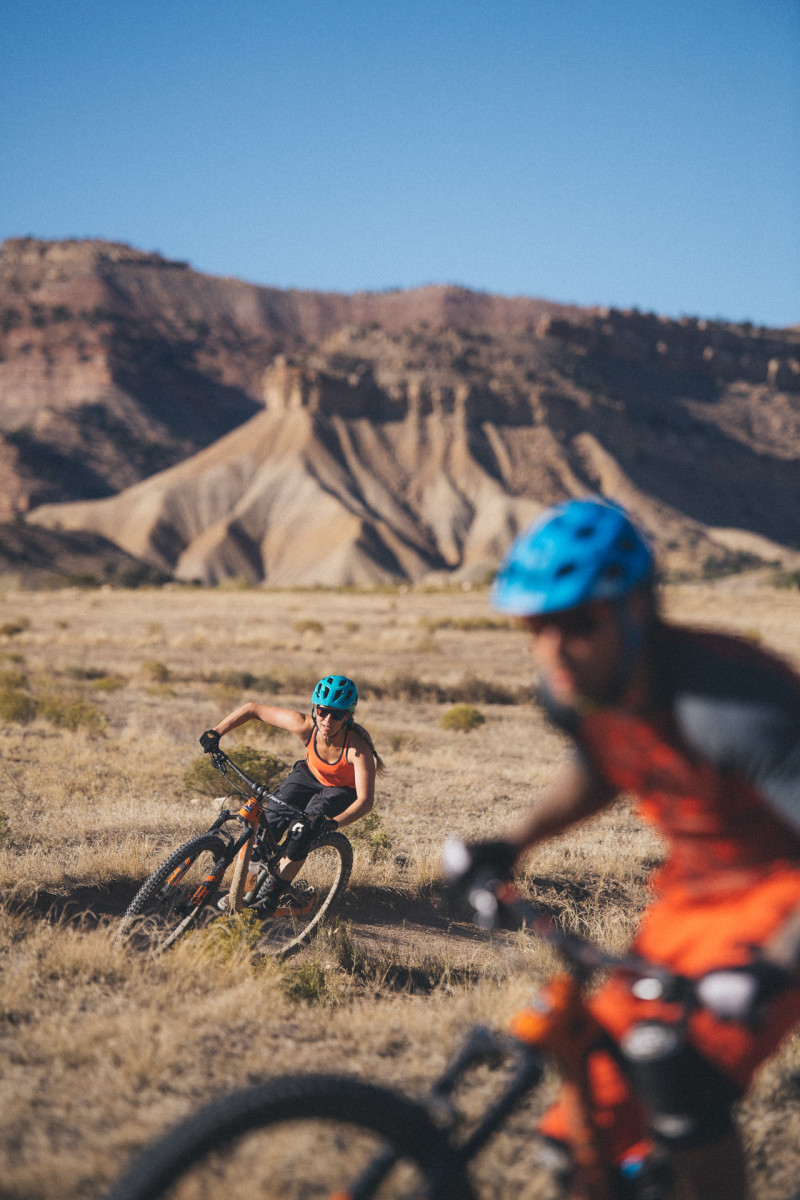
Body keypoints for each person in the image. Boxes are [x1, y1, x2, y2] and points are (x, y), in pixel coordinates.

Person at [447, 497, 800, 1200]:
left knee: (679, 1075)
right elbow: (604, 762)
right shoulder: (575, 691)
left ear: (636, 610)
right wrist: (512, 844)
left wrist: (772, 969)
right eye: (535, 626)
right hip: (687, 896)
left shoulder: (734, 708)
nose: (553, 648)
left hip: (777, 897)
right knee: (581, 1134)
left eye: (578, 622)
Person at [200, 674, 383, 913]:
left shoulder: (358, 749)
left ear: (347, 716)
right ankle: (245, 891)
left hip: (340, 790)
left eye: (337, 714)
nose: (327, 719)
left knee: (301, 833)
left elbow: (365, 800)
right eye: (322, 711)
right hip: (308, 776)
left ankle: (271, 896)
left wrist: (332, 823)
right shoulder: (305, 725)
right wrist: (216, 732)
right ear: (315, 708)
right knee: (265, 828)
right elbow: (253, 709)